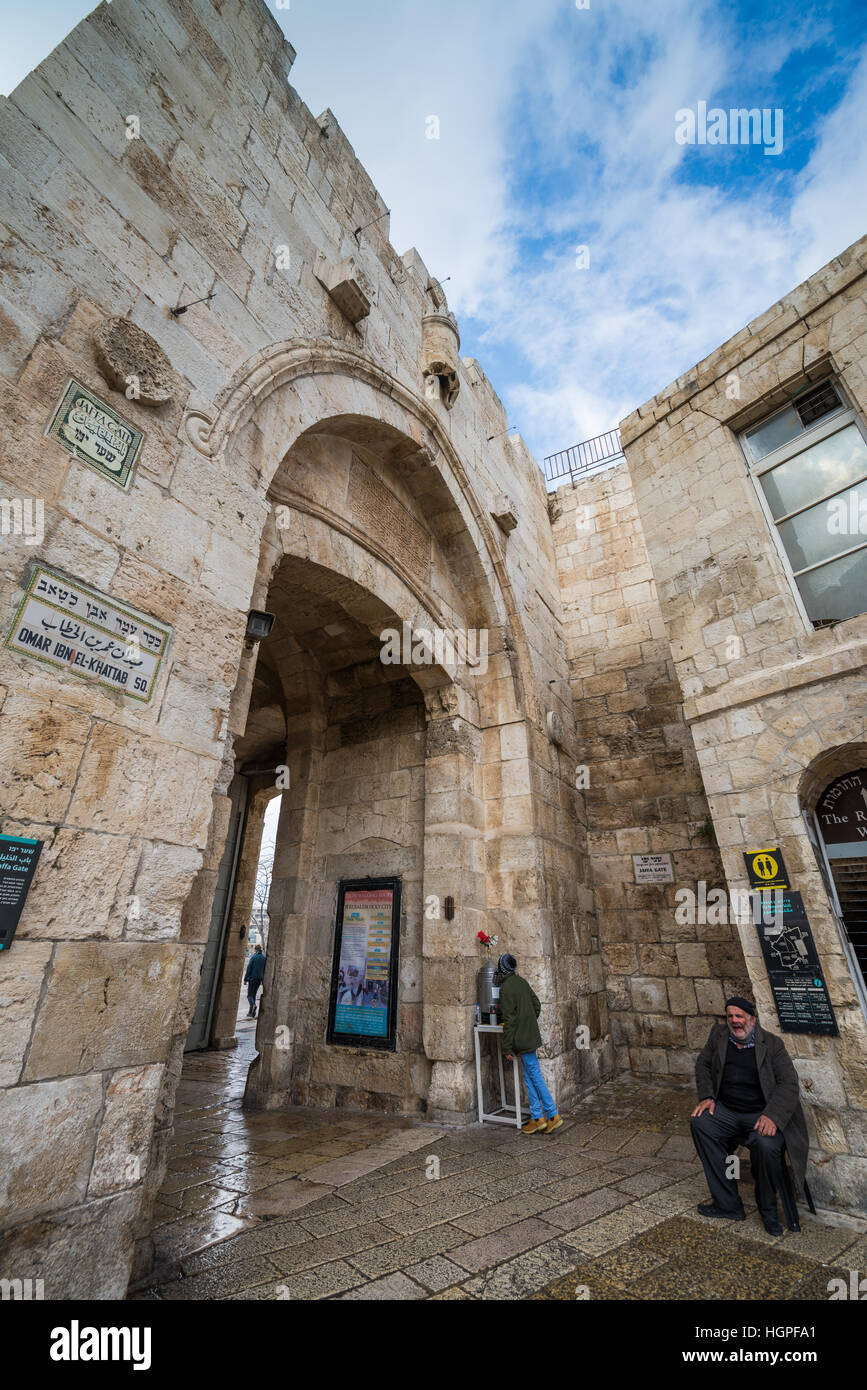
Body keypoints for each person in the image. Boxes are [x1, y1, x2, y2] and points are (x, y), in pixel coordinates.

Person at [690, 996, 809, 1235]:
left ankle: (768, 1209)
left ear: (752, 1020)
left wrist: (772, 1117)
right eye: (730, 1016)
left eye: (739, 1017)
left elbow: (789, 1083)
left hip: (760, 1114)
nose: (735, 1021)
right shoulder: (719, 1036)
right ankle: (728, 1204)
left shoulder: (772, 1045)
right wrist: (707, 1096)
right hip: (728, 1112)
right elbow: (702, 1064)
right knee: (701, 1124)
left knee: (766, 1147)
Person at [499, 953, 563, 1135]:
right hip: (531, 1036)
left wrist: (507, 1048)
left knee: (534, 1076)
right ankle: (537, 1118)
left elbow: (509, 1020)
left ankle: (552, 1115)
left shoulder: (506, 988)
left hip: (522, 1039)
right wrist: (527, 1022)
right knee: (529, 1077)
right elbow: (536, 1005)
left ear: (501, 968)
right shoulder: (522, 982)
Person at [243, 944, 266, 1018]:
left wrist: (245, 979)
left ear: (255, 950)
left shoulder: (254, 957)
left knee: (249, 995)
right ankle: (251, 1013)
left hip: (252, 978)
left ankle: (253, 1005)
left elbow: (249, 968)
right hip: (259, 979)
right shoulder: (263, 958)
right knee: (254, 995)